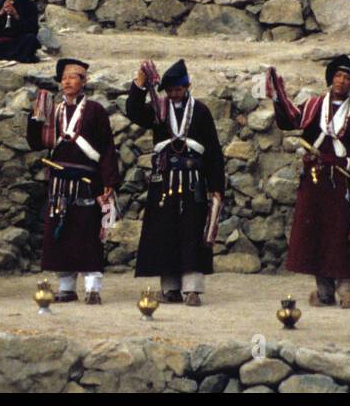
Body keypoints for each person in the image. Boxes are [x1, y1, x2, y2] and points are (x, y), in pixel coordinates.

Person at [266, 55, 350, 308]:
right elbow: (288, 121)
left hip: (341, 184)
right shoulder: (313, 107)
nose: (341, 81)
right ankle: (324, 291)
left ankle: (346, 290)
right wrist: (277, 97)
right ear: (330, 78)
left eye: (347, 78)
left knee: (342, 236)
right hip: (315, 182)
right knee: (317, 236)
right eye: (337, 76)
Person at [125, 59, 225, 306]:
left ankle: (192, 289)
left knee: (193, 233)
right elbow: (134, 111)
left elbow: (213, 151)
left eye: (178, 89)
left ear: (187, 86)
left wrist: (216, 187)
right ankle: (170, 288)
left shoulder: (200, 111)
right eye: (169, 91)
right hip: (164, 182)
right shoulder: (159, 110)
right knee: (165, 233)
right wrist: (139, 83)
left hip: (192, 182)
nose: (173, 94)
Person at [26, 58, 119, 304]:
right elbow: (37, 143)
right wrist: (34, 119)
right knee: (61, 234)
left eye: (73, 77)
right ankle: (66, 287)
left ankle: (92, 289)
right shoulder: (53, 110)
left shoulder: (95, 111)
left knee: (88, 234)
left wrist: (109, 179)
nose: (67, 82)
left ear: (83, 81)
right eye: (64, 78)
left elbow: (107, 146)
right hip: (59, 184)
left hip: (87, 181)